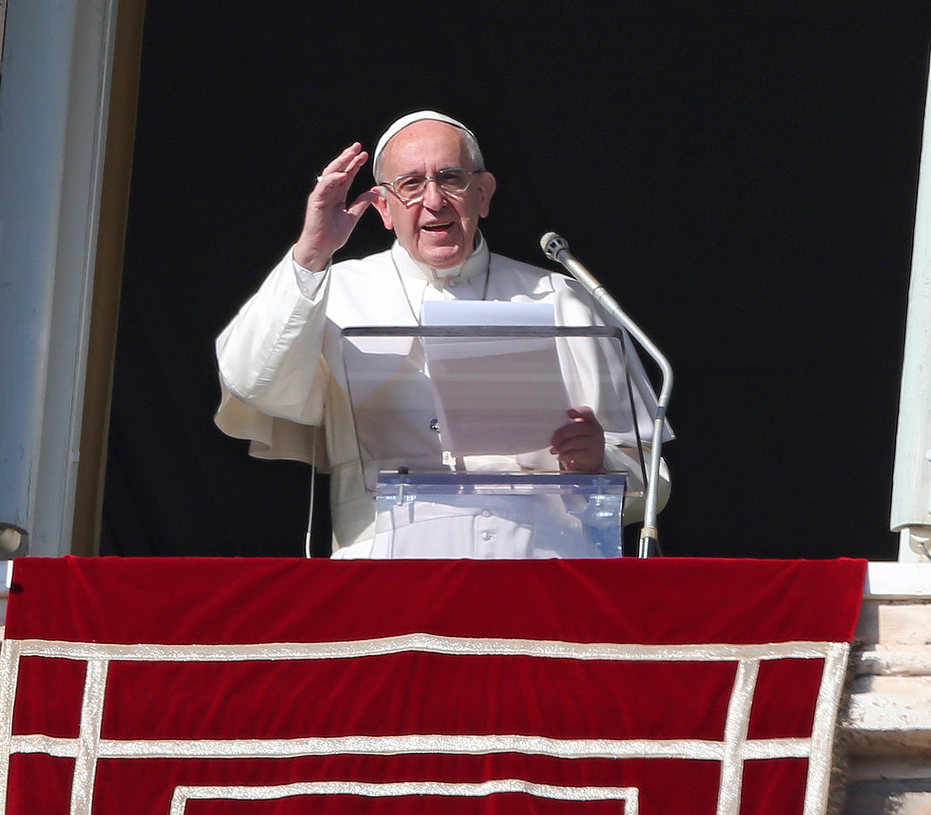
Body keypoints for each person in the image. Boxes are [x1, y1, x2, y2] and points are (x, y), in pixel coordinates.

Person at [215, 110, 667, 557]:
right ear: (383, 208)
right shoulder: (332, 293)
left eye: (451, 178)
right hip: (391, 575)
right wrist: (311, 254)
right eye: (410, 184)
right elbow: (253, 381)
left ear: (483, 194)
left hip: (541, 569)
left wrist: (594, 465)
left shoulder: (561, 298)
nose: (434, 200)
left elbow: (649, 483)